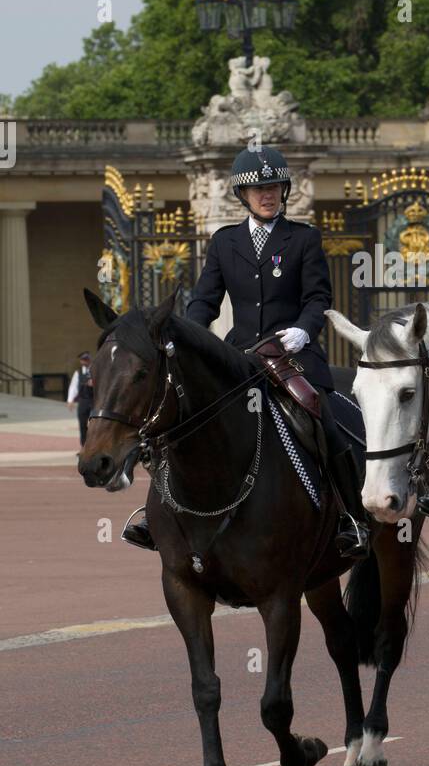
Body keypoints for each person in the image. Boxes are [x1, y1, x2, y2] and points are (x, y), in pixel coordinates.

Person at [122, 146, 369, 558]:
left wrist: (304, 331)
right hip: (241, 356)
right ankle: (156, 514)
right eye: (257, 189)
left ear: (283, 190)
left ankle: (349, 518)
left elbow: (317, 297)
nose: (266, 195)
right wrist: (185, 338)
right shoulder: (224, 242)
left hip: (292, 353)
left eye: (273, 187)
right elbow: (204, 300)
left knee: (319, 411)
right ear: (243, 196)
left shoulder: (304, 238)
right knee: (181, 416)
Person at [67, 351, 94, 447]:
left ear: (90, 360)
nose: (85, 362)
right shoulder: (78, 372)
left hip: (94, 401)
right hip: (83, 401)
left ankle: (93, 446)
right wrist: (70, 400)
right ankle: (84, 446)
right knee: (82, 425)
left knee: (94, 425)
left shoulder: (95, 371)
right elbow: (73, 386)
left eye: (86, 359)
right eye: (83, 360)